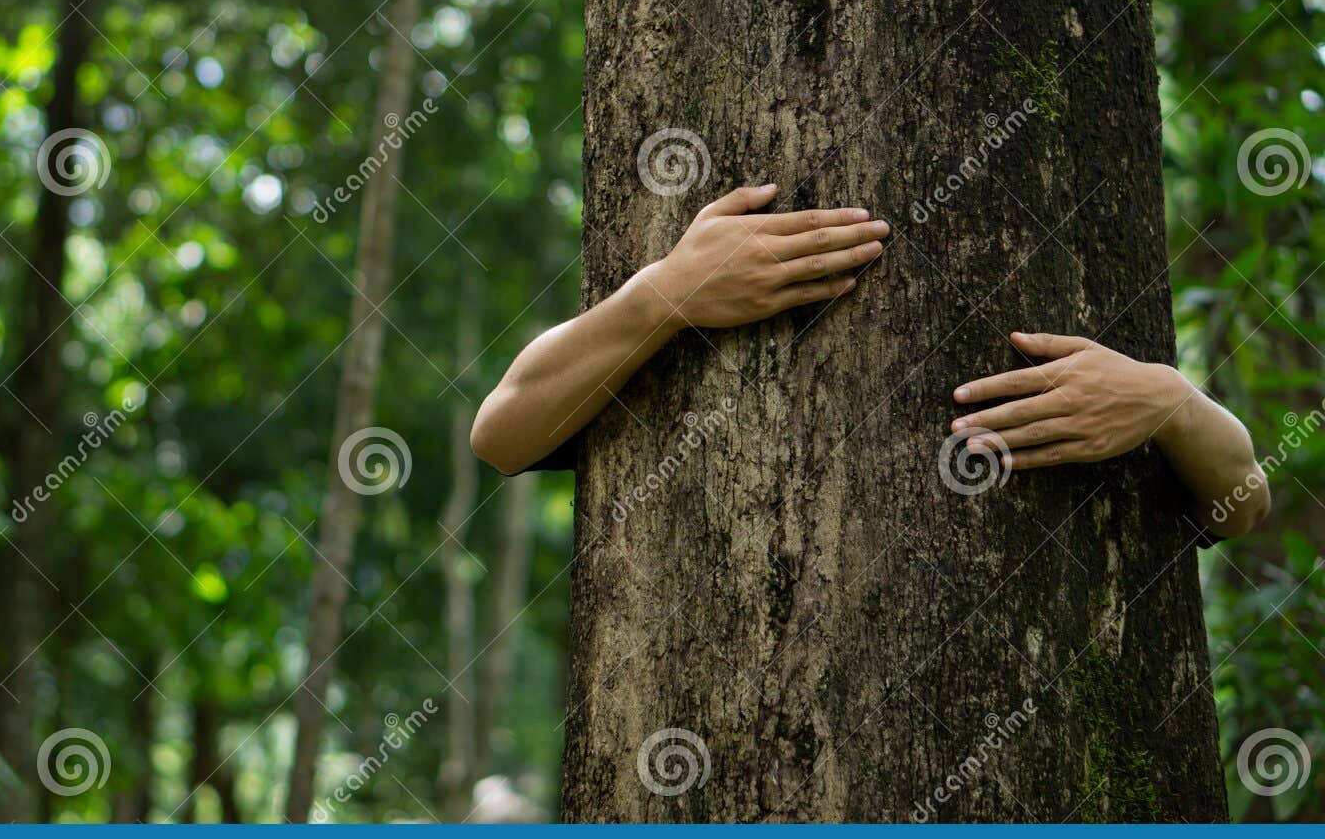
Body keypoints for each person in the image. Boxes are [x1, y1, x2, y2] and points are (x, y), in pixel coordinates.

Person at [470, 183, 1270, 540]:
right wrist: (664, 292)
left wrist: (1169, 399)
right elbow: (503, 433)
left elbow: (1242, 505)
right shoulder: (654, 316)